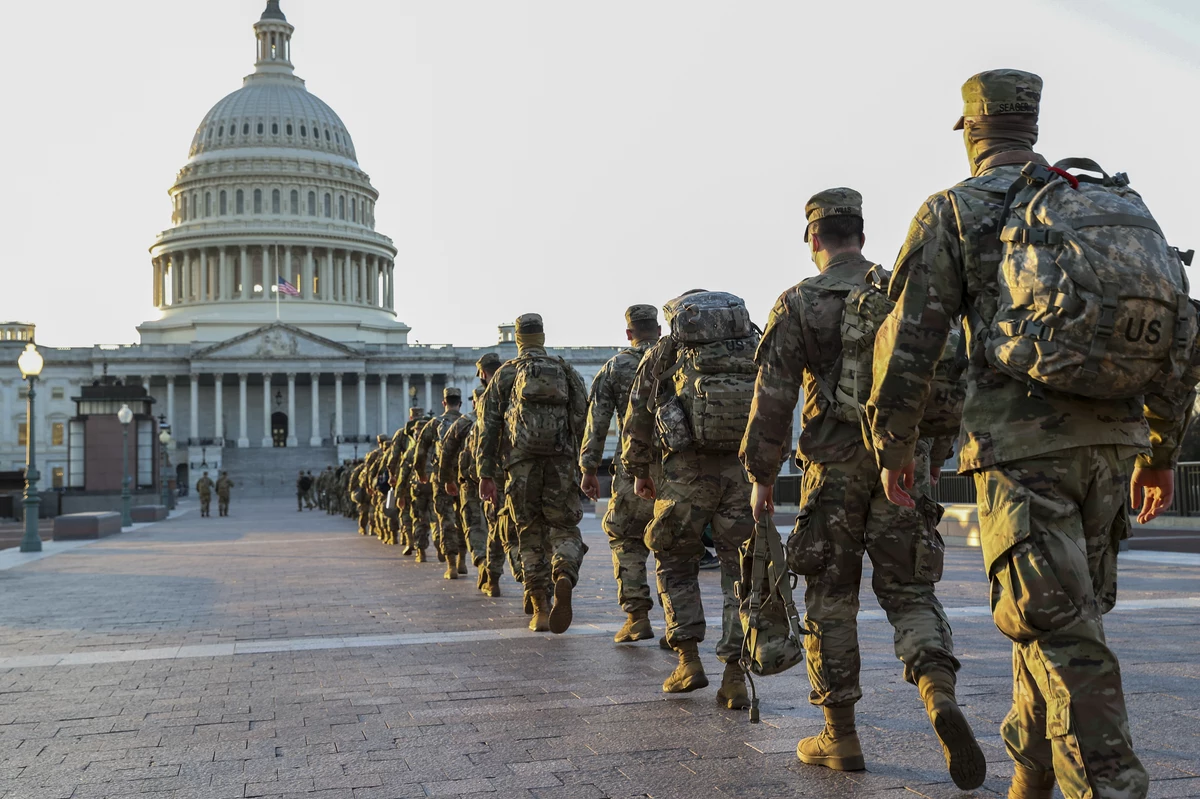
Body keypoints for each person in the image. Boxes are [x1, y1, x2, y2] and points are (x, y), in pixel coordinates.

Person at [866, 69, 1200, 799]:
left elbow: (910, 343)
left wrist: (894, 447)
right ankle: (1031, 768)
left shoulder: (953, 211)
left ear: (973, 133)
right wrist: (1161, 451)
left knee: (1065, 637)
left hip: (1022, 455)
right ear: (1032, 129)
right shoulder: (1103, 204)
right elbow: (1179, 330)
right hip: (1113, 453)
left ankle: (1108, 784)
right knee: (1056, 621)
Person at [739, 188, 982, 787]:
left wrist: (762, 477)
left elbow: (773, 398)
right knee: (910, 589)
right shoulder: (903, 293)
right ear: (863, 236)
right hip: (904, 462)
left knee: (830, 597)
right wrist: (931, 456)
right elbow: (945, 375)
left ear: (814, 239)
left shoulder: (799, 302)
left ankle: (840, 736)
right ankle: (936, 692)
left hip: (834, 470)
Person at [621, 290, 757, 709]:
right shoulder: (753, 343)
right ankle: (735, 674)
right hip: (741, 475)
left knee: (675, 561)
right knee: (742, 574)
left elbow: (639, 412)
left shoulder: (669, 349)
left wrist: (639, 471)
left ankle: (688, 660)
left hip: (684, 475)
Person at [478, 314, 588, 633]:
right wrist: (577, 456)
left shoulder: (506, 374)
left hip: (520, 464)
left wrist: (486, 472)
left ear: (517, 338)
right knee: (564, 526)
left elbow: (488, 427)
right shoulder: (565, 370)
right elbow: (583, 413)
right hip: (560, 461)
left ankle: (539, 605)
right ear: (542, 335)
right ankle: (565, 573)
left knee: (529, 531)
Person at [580, 304, 663, 644]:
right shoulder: (680, 359)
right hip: (680, 466)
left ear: (629, 333)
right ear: (658, 329)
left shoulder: (615, 367)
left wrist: (588, 468)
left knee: (625, 537)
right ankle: (679, 626)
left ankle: (637, 616)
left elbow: (597, 423)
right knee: (674, 546)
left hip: (632, 467)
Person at [410, 387, 469, 579]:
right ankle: (462, 559)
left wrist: (420, 473)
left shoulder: (435, 424)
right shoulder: (468, 422)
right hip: (465, 478)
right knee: (465, 519)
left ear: (444, 403)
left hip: (442, 479)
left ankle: (451, 564)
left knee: (446, 519)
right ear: (459, 403)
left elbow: (420, 451)